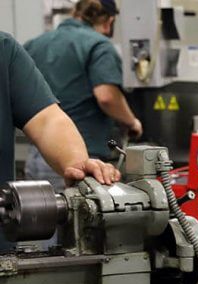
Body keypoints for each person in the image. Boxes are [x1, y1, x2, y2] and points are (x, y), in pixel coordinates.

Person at [1, 31, 122, 251]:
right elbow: (107, 95)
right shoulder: (97, 46)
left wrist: (76, 162)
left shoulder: (4, 49)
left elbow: (46, 119)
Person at [23, 0, 141, 190]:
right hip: (80, 160)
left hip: (37, 156)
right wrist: (131, 122)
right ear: (109, 22)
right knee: (76, 218)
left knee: (38, 216)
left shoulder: (34, 44)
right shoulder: (99, 45)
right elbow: (107, 97)